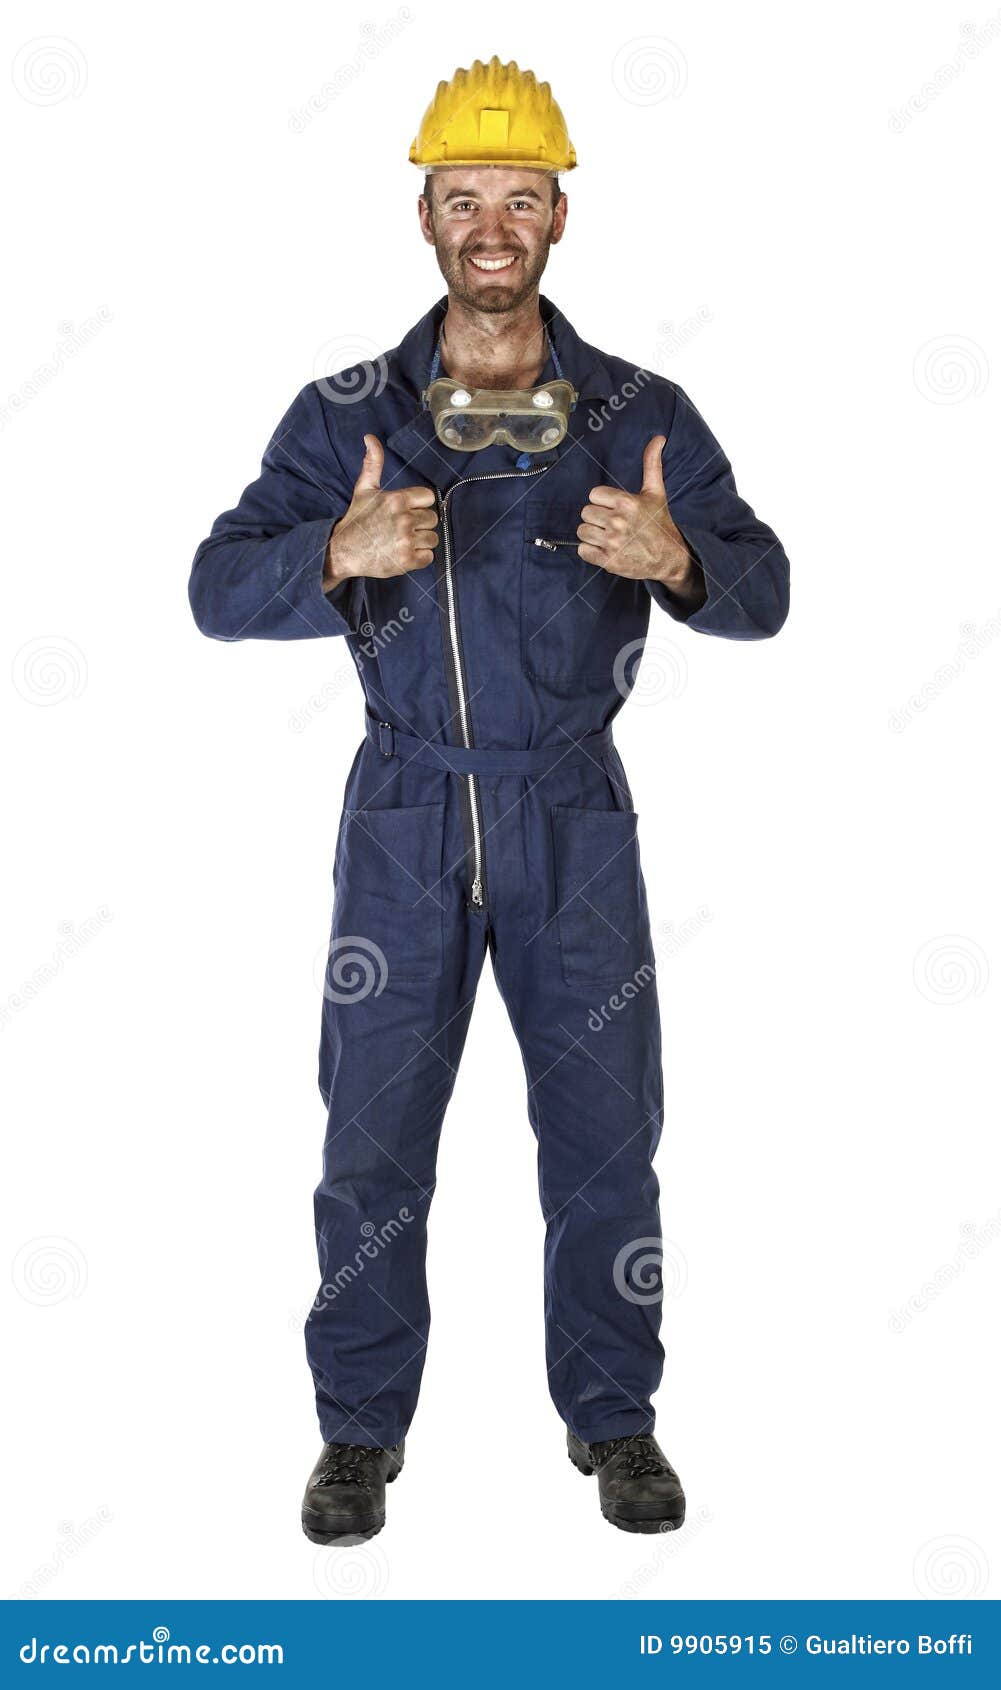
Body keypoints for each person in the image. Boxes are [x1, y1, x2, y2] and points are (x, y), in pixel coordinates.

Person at [189, 56, 790, 1543]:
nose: (492, 223)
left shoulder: (638, 411)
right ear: (425, 215)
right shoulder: (347, 413)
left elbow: (765, 586)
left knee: (603, 1131)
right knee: (371, 1140)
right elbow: (214, 586)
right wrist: (331, 553)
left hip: (573, 816)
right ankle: (357, 1432)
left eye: (519, 196)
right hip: (404, 816)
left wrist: (682, 563)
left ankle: (615, 1420)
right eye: (465, 196)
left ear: (559, 214)